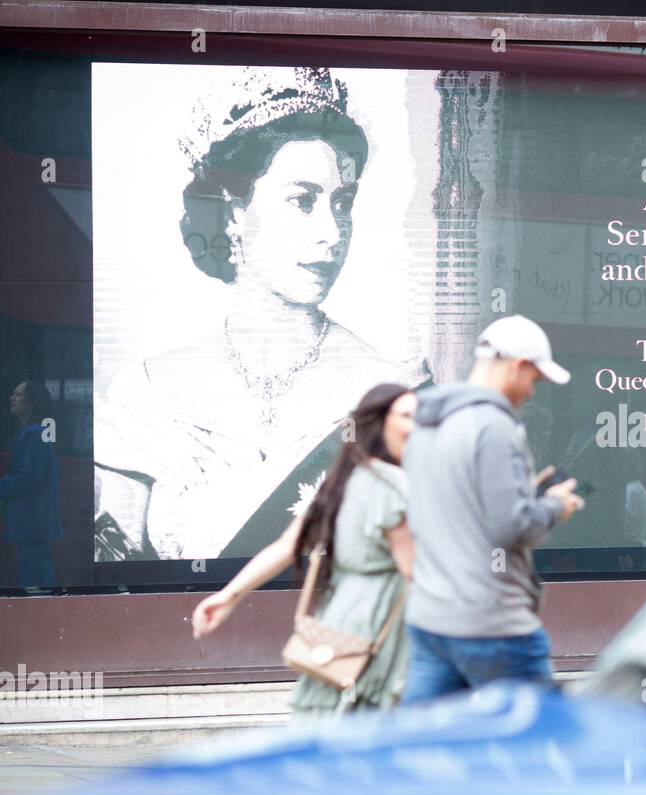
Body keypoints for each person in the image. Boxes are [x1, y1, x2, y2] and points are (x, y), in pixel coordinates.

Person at [94, 66, 429, 562]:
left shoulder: (396, 388)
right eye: (303, 200)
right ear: (233, 211)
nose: (332, 234)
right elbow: (113, 586)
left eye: (342, 203)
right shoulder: (146, 395)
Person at [191, 383, 417, 716]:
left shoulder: (343, 481)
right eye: (407, 415)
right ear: (379, 423)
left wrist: (229, 596)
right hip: (383, 615)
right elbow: (415, 572)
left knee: (333, 715)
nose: (418, 424)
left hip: (339, 615)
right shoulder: (396, 484)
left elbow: (286, 547)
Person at [402, 315, 584, 703]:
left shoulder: (426, 422)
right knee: (541, 744)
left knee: (428, 748)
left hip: (431, 619)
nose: (532, 394)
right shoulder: (495, 425)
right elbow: (511, 527)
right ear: (518, 365)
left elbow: (454, 509)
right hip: (492, 625)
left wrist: (526, 493)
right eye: (534, 380)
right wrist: (554, 506)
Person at [0, 381, 62, 590]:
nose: (12, 398)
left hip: (31, 520)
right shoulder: (34, 432)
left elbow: (28, 478)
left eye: (17, 395)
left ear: (32, 403)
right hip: (34, 520)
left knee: (34, 577)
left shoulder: (33, 433)